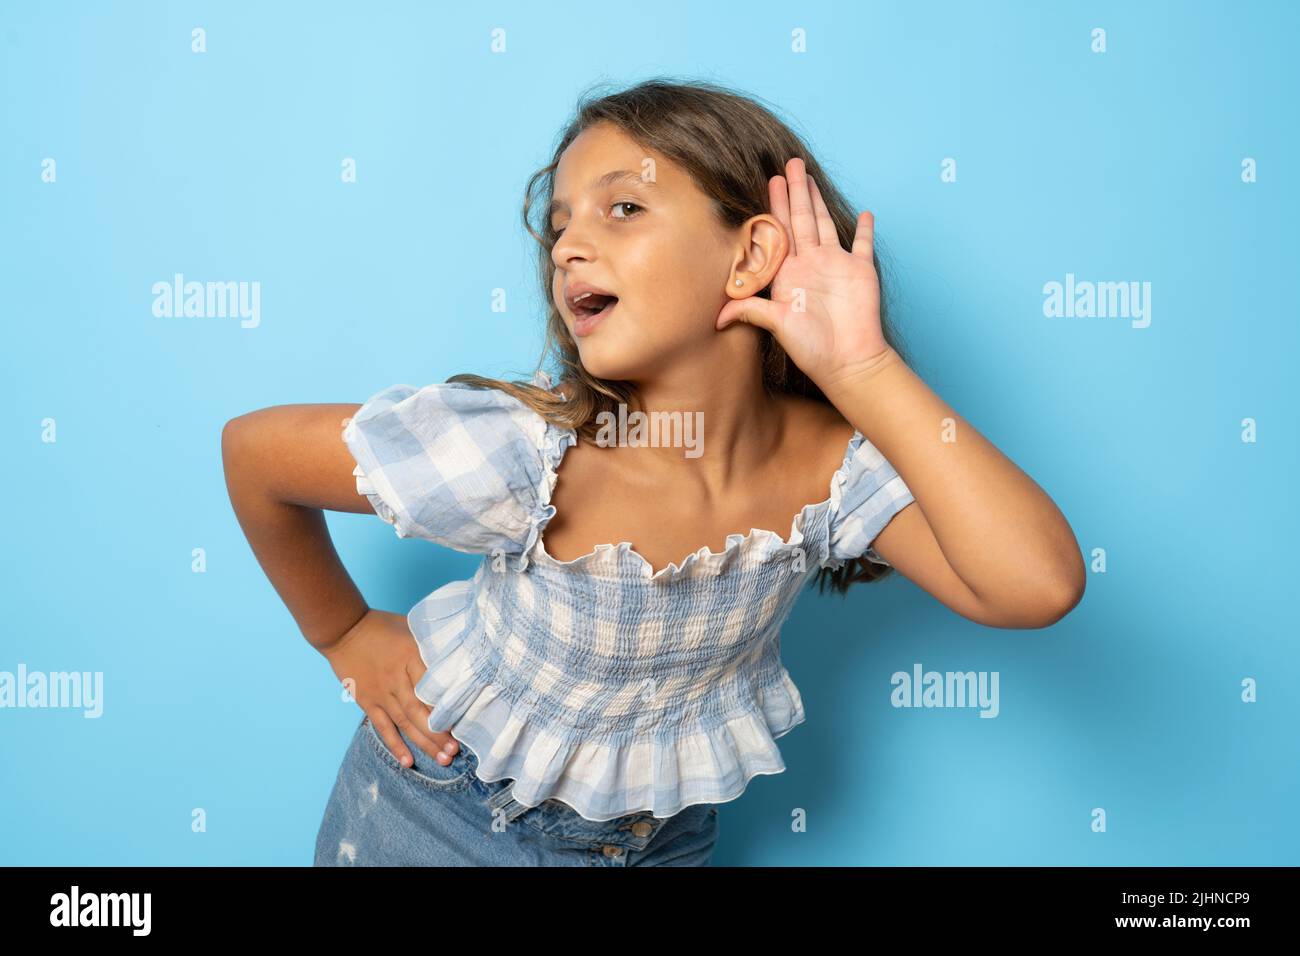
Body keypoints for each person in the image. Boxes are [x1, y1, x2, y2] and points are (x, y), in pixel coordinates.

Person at [221, 78, 1085, 866]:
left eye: (623, 208)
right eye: (559, 228)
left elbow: (1036, 585)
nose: (567, 249)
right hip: (440, 813)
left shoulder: (831, 469)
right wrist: (341, 634)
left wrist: (862, 371)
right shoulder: (526, 452)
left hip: (661, 844)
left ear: (749, 258)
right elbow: (254, 454)